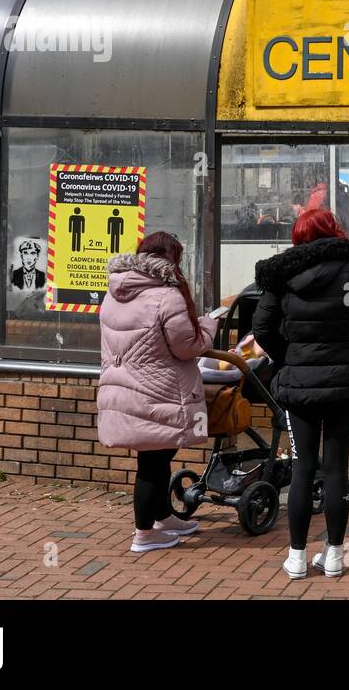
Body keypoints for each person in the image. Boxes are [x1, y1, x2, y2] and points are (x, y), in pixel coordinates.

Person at [252, 208, 349, 580]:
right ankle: (335, 555)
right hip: (343, 380)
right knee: (337, 466)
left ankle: (296, 557)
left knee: (303, 467)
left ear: (298, 237)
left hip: (299, 385)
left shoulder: (282, 274)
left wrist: (288, 357)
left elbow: (262, 328)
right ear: (334, 231)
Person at [98, 232, 216, 553]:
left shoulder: (115, 291)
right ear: (172, 259)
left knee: (155, 458)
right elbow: (187, 346)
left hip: (123, 391)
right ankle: (144, 535)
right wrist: (208, 326)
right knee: (153, 465)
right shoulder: (167, 296)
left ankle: (164, 517)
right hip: (157, 393)